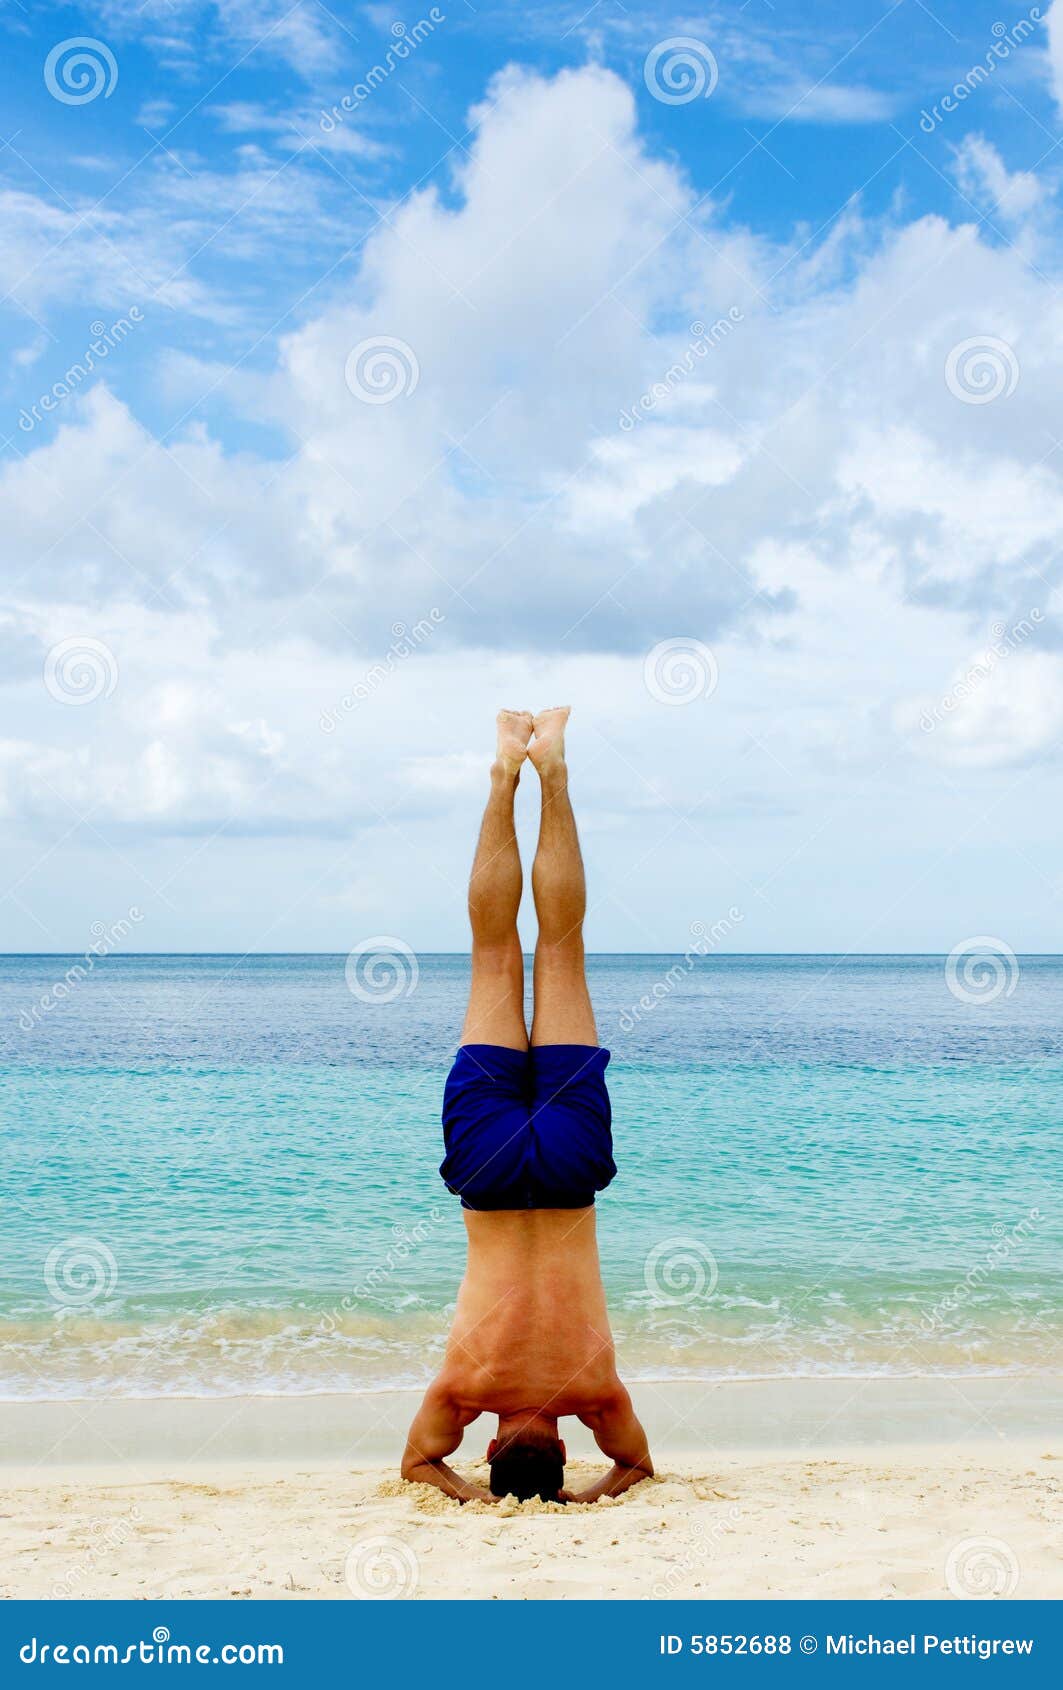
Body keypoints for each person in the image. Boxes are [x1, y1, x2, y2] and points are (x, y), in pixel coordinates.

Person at [401, 707, 654, 1505]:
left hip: (570, 1175)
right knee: (492, 954)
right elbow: (419, 1464)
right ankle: (504, 771)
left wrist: (584, 1497)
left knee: (562, 949)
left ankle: (553, 772)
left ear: (563, 1448)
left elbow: (634, 1467)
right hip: (489, 1175)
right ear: (488, 1447)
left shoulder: (596, 1396)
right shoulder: (463, 1390)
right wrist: (476, 1496)